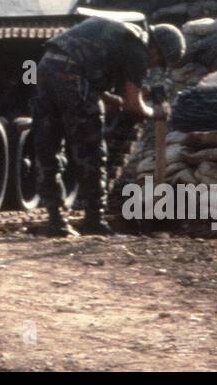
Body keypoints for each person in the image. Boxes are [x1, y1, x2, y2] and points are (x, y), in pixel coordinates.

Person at [32, 16, 185, 237]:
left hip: (46, 66)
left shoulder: (123, 31)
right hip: (72, 74)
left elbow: (85, 62)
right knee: (91, 149)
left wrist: (109, 98)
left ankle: (55, 220)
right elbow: (134, 106)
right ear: (157, 50)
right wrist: (157, 113)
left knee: (49, 144)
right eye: (158, 62)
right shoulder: (138, 49)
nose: (152, 66)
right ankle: (94, 220)